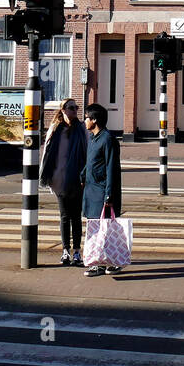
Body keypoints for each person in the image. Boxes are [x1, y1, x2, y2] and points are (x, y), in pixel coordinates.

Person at [41, 99, 87, 265]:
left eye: (76, 108)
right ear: (63, 110)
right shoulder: (55, 129)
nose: (75, 110)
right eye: (71, 108)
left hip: (77, 179)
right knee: (64, 216)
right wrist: (48, 177)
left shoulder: (82, 129)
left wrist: (85, 176)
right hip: (59, 180)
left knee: (76, 217)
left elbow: (87, 153)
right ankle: (65, 250)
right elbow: (47, 154)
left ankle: (77, 251)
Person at [81, 102, 123, 276]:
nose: (85, 121)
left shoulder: (108, 140)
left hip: (102, 192)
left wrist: (109, 195)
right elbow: (91, 162)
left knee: (105, 230)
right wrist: (83, 175)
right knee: (95, 229)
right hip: (91, 191)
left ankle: (108, 262)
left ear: (94, 120)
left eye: (86, 118)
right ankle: (100, 262)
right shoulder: (93, 138)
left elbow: (111, 168)